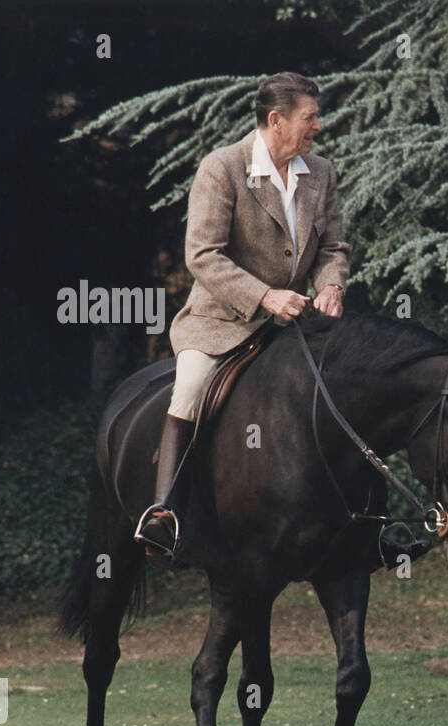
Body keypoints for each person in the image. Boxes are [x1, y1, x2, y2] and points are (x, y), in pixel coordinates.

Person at [135, 71, 350, 558]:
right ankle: (163, 511)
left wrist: (332, 284)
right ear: (277, 120)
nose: (319, 126)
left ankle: (359, 518)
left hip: (294, 321)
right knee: (190, 387)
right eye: (310, 118)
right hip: (220, 321)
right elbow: (203, 256)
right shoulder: (222, 168)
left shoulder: (321, 172)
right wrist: (264, 297)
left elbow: (334, 247)